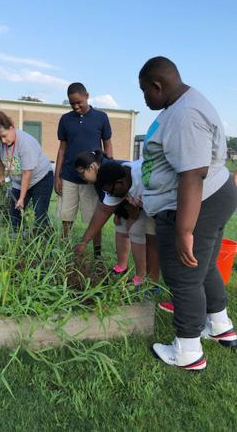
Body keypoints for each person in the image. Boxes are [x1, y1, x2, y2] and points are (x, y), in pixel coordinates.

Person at [139, 56, 237, 371]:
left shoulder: (184, 116)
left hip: (197, 203)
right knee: (204, 266)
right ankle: (220, 325)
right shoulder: (184, 104)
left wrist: (184, 231)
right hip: (212, 197)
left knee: (184, 276)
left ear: (158, 85)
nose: (144, 98)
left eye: (145, 91)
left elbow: (193, 174)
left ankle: (187, 351)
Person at [74, 156, 160, 285]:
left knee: (152, 236)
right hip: (147, 206)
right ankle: (141, 277)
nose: (112, 197)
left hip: (166, 202)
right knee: (136, 229)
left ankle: (153, 283)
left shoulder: (145, 177)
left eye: (112, 192)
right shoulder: (115, 186)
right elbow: (103, 212)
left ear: (120, 183)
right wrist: (83, 242)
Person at [55, 82, 113, 258]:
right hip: (69, 176)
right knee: (66, 216)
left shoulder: (101, 117)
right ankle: (64, 251)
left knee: (94, 218)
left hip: (92, 178)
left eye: (79, 102)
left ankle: (97, 255)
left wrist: (108, 170)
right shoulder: (65, 119)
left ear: (87, 96)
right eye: (72, 103)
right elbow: (62, 149)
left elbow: (108, 145)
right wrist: (57, 176)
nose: (76, 106)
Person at [0, 111, 53, 232]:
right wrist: (1, 175)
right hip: (19, 181)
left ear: (11, 128)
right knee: (14, 214)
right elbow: (1, 159)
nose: (3, 141)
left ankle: (46, 241)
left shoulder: (25, 143)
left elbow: (27, 174)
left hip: (40, 178)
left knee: (39, 213)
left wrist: (22, 198)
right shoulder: (0, 143)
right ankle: (18, 240)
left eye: (4, 136)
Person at [75, 150, 131, 275]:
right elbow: (105, 207)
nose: (82, 178)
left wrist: (83, 242)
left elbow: (104, 210)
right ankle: (122, 267)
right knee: (121, 227)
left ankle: (144, 277)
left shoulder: (109, 172)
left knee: (141, 232)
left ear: (92, 167)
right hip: (128, 199)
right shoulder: (99, 177)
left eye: (82, 174)